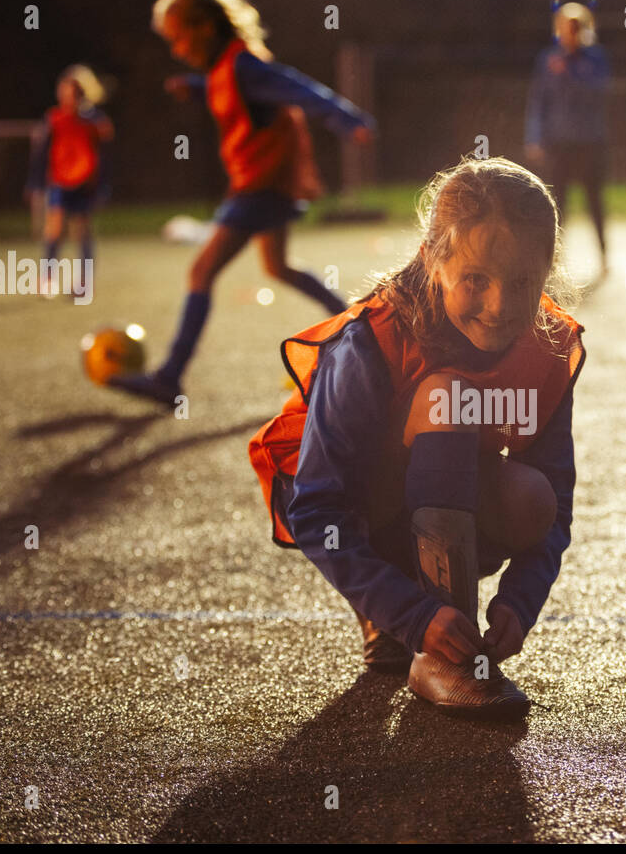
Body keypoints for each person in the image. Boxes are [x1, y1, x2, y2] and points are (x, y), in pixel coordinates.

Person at [249, 158, 585, 719]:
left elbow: (557, 495)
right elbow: (317, 507)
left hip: (439, 494)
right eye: (475, 279)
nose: (500, 305)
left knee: (533, 498)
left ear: (547, 270)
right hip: (349, 506)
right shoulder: (369, 341)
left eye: (523, 282)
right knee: (448, 394)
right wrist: (416, 617)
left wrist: (521, 601)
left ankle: (407, 613)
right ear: (433, 260)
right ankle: (437, 653)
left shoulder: (547, 345)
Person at [111, 0, 375, 406]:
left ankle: (169, 377)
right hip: (263, 185)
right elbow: (233, 93)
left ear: (205, 28)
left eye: (179, 38)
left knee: (201, 272)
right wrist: (194, 88)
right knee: (279, 267)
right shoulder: (222, 71)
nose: (177, 49)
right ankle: (361, 331)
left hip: (262, 187)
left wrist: (346, 119)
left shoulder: (244, 66)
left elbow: (296, 88)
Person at [525, 1, 611, 279]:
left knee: (594, 201)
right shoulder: (547, 60)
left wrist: (571, 72)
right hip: (558, 142)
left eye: (575, 28)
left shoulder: (595, 59)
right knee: (557, 203)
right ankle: (555, 260)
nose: (569, 33)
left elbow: (599, 93)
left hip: (589, 140)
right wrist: (535, 138)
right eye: (565, 27)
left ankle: (604, 255)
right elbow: (538, 102)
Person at [27, 64, 113, 297]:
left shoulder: (95, 121)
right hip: (59, 181)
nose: (69, 97)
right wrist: (34, 182)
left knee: (82, 233)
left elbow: (104, 154)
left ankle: (83, 284)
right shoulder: (54, 118)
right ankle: (46, 279)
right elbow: (42, 152)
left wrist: (103, 185)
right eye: (65, 92)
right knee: (54, 230)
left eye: (74, 92)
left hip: (85, 182)